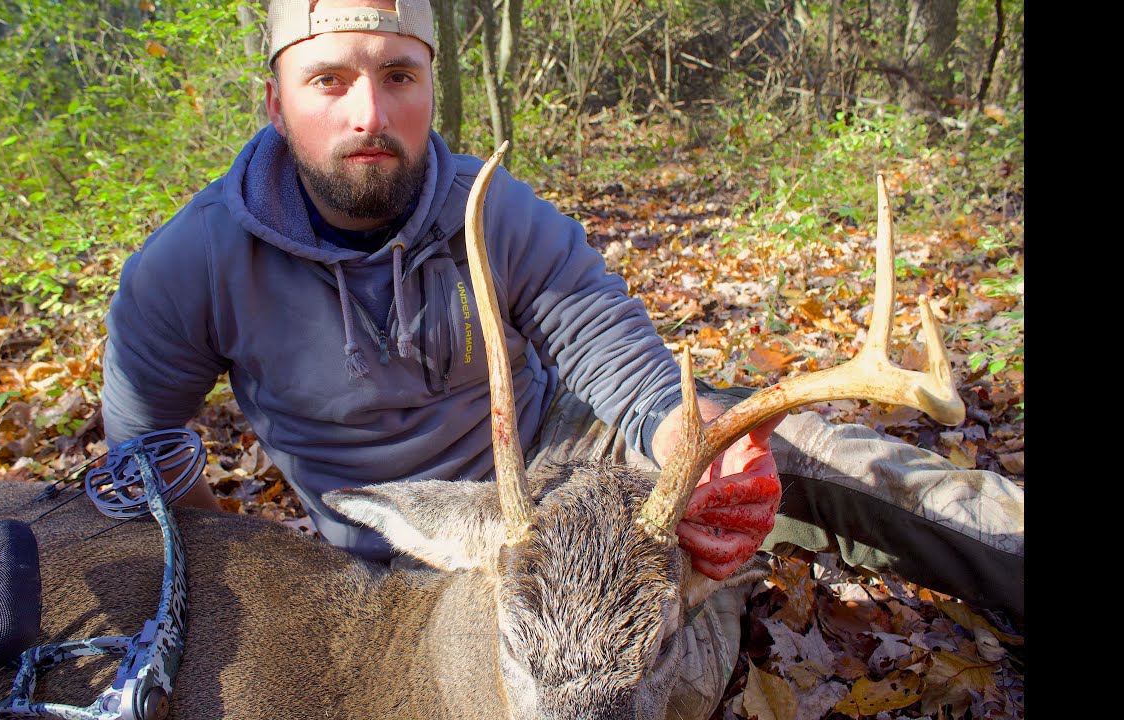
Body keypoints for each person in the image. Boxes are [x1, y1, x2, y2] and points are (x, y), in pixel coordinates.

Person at [101, 0, 1022, 640]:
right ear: (274, 100)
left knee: (810, 450)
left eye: (399, 75)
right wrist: (234, 566)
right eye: (328, 81)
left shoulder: (490, 204)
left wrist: (689, 444)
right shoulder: (190, 265)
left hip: (564, 460)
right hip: (400, 547)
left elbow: (608, 349)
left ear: (432, 85)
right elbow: (144, 442)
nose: (370, 113)